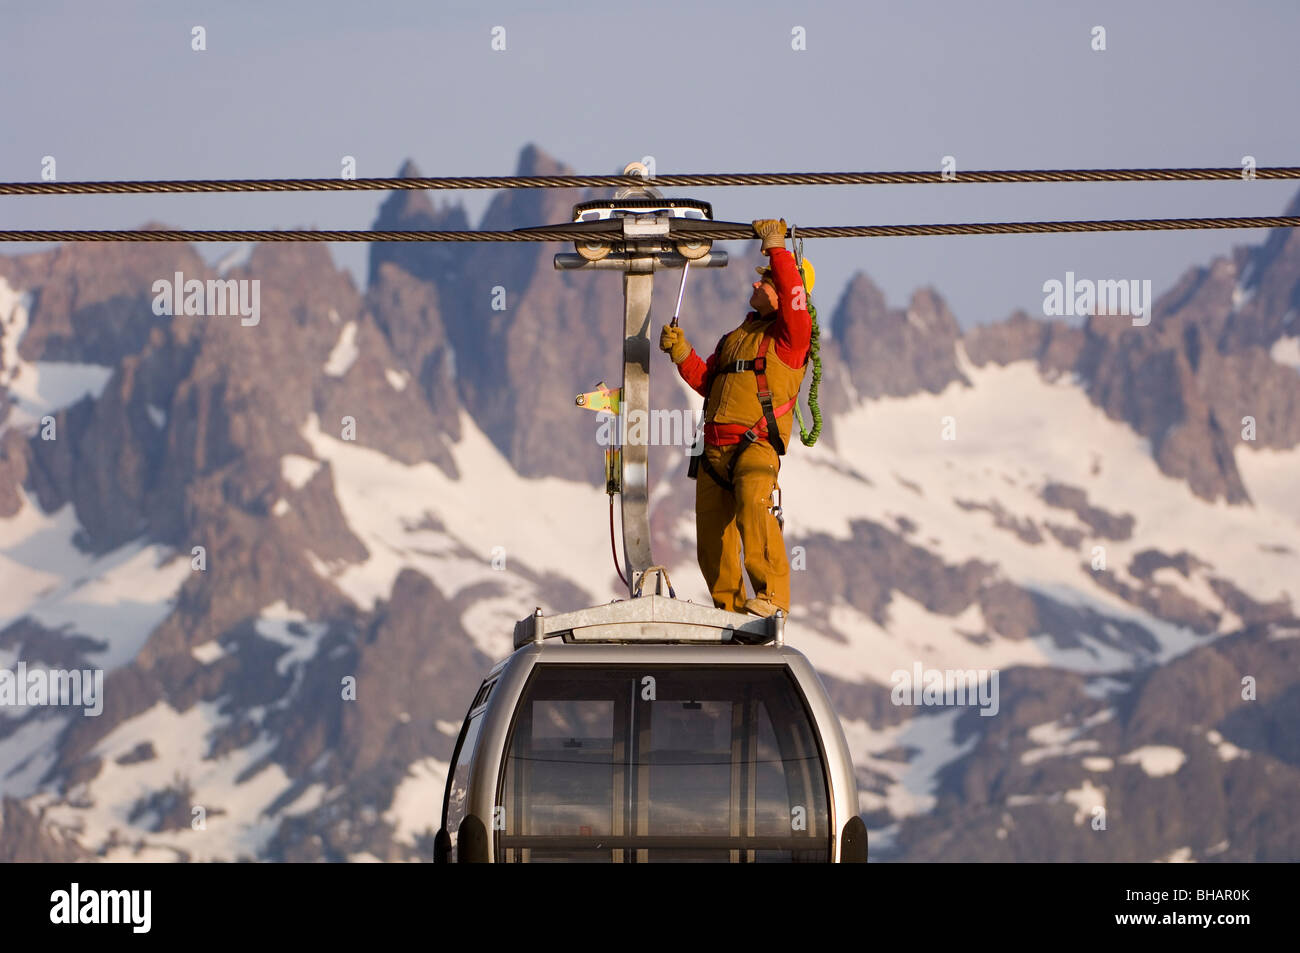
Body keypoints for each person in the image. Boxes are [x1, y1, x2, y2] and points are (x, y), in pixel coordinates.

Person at [658, 218, 812, 617]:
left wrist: (776, 247)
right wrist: (682, 354)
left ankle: (772, 597)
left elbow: (795, 295)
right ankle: (732, 613)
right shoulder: (736, 338)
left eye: (765, 282)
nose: (756, 285)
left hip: (754, 448)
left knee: (753, 505)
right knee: (712, 545)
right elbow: (710, 382)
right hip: (713, 454)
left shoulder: (791, 339)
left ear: (781, 292)